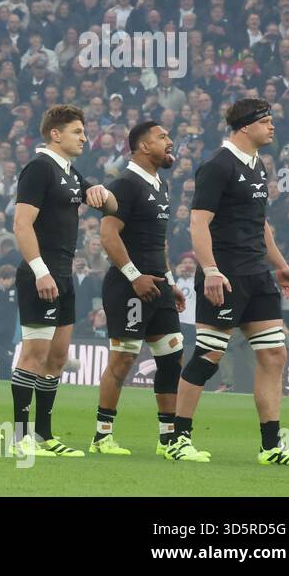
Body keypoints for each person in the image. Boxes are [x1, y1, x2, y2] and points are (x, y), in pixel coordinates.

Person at [171, 98, 289, 466]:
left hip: (258, 275)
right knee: (208, 355)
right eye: (266, 121)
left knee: (274, 354)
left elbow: (260, 224)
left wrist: (279, 265)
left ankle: (271, 448)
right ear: (245, 127)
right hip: (226, 274)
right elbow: (198, 222)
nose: (272, 127)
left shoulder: (258, 166)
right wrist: (211, 269)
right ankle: (178, 438)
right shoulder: (217, 166)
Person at [11, 104, 116, 457]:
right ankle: (20, 438)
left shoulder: (71, 172)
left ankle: (44, 435)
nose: (84, 138)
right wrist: (40, 270)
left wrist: (100, 189)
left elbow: (110, 205)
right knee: (34, 355)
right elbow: (22, 225)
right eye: (77, 132)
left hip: (64, 276)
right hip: (40, 275)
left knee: (56, 358)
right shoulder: (39, 168)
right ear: (56, 134)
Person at [93, 121, 189, 456]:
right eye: (163, 137)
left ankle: (169, 441)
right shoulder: (125, 183)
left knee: (172, 358)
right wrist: (135, 276)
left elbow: (158, 243)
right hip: (128, 286)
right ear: (143, 147)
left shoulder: (160, 185)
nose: (170, 141)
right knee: (122, 361)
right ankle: (102, 437)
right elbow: (108, 234)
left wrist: (172, 283)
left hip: (158, 285)